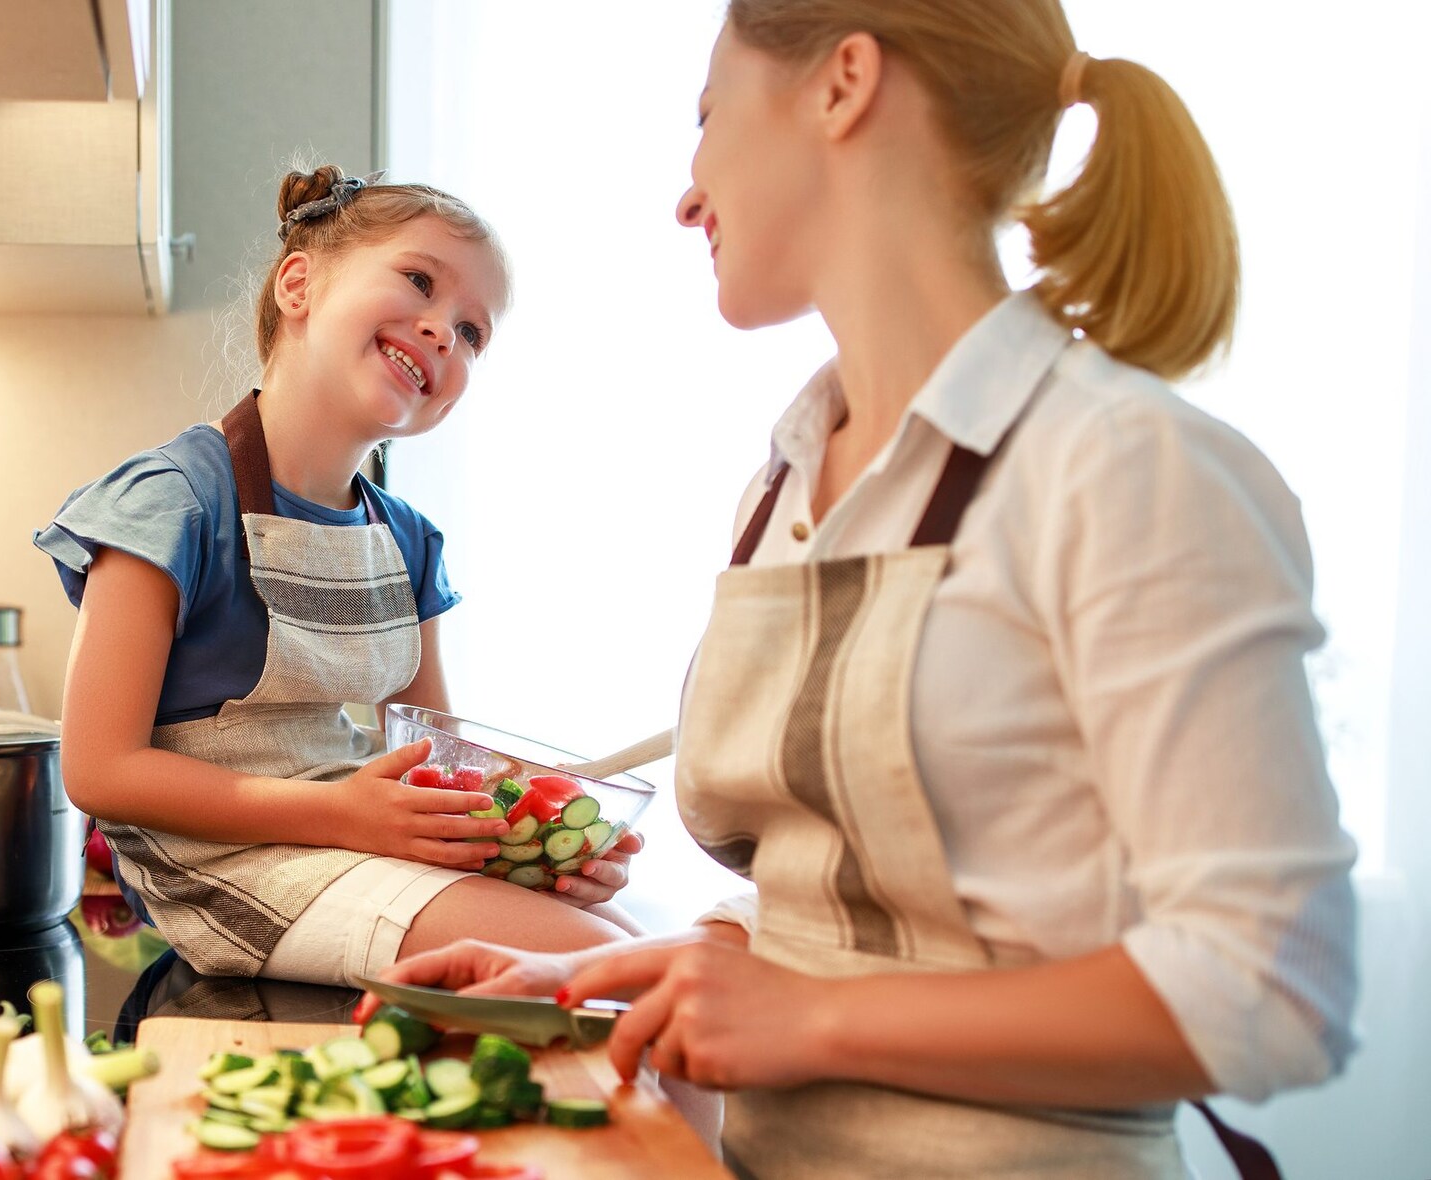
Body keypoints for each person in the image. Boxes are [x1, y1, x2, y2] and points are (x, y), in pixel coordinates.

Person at [367, 3, 1358, 1176]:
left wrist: (810, 1017)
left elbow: (1275, 987)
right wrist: (592, 973)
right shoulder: (780, 482)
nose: (686, 194)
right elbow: (857, 905)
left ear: (842, 83)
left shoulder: (1127, 467)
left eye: (706, 115)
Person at [35, 166, 642, 989]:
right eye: (420, 281)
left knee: (630, 943)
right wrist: (344, 813)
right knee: (616, 968)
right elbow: (100, 770)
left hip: (347, 835)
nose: (443, 332)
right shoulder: (171, 503)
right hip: (227, 870)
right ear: (298, 285)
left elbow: (435, 758)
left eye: (472, 332)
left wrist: (547, 845)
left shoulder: (409, 542)